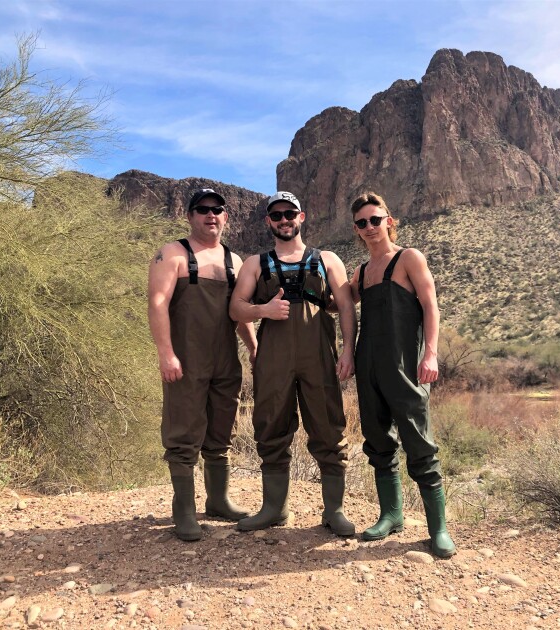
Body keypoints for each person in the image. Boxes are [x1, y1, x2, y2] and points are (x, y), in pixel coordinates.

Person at [229, 191, 357, 536]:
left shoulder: (327, 259)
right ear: (268, 221)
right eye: (277, 215)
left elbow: (346, 306)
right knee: (271, 424)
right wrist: (263, 310)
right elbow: (235, 308)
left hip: (319, 354)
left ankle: (334, 511)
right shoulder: (256, 263)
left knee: (329, 425)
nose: (284, 220)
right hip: (274, 357)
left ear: (302, 217)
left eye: (290, 213)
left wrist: (348, 350)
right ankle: (274, 509)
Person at [349, 191, 456, 558]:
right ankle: (391, 515)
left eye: (375, 219)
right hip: (369, 366)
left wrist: (431, 354)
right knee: (378, 440)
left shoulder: (408, 258)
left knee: (420, 444)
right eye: (361, 222)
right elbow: (338, 301)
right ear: (356, 229)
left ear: (389, 221)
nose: (369, 227)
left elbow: (431, 306)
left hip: (405, 366)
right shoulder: (361, 272)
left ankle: (438, 529)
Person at [148, 188, 256, 542]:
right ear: (190, 215)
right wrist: (166, 353)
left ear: (226, 216)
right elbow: (157, 303)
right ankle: (184, 510)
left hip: (225, 361)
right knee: (183, 431)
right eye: (203, 209)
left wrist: (253, 346)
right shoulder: (172, 253)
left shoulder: (234, 261)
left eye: (217, 209)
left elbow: (239, 313)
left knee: (222, 429)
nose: (211, 215)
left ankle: (218, 501)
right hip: (185, 360)